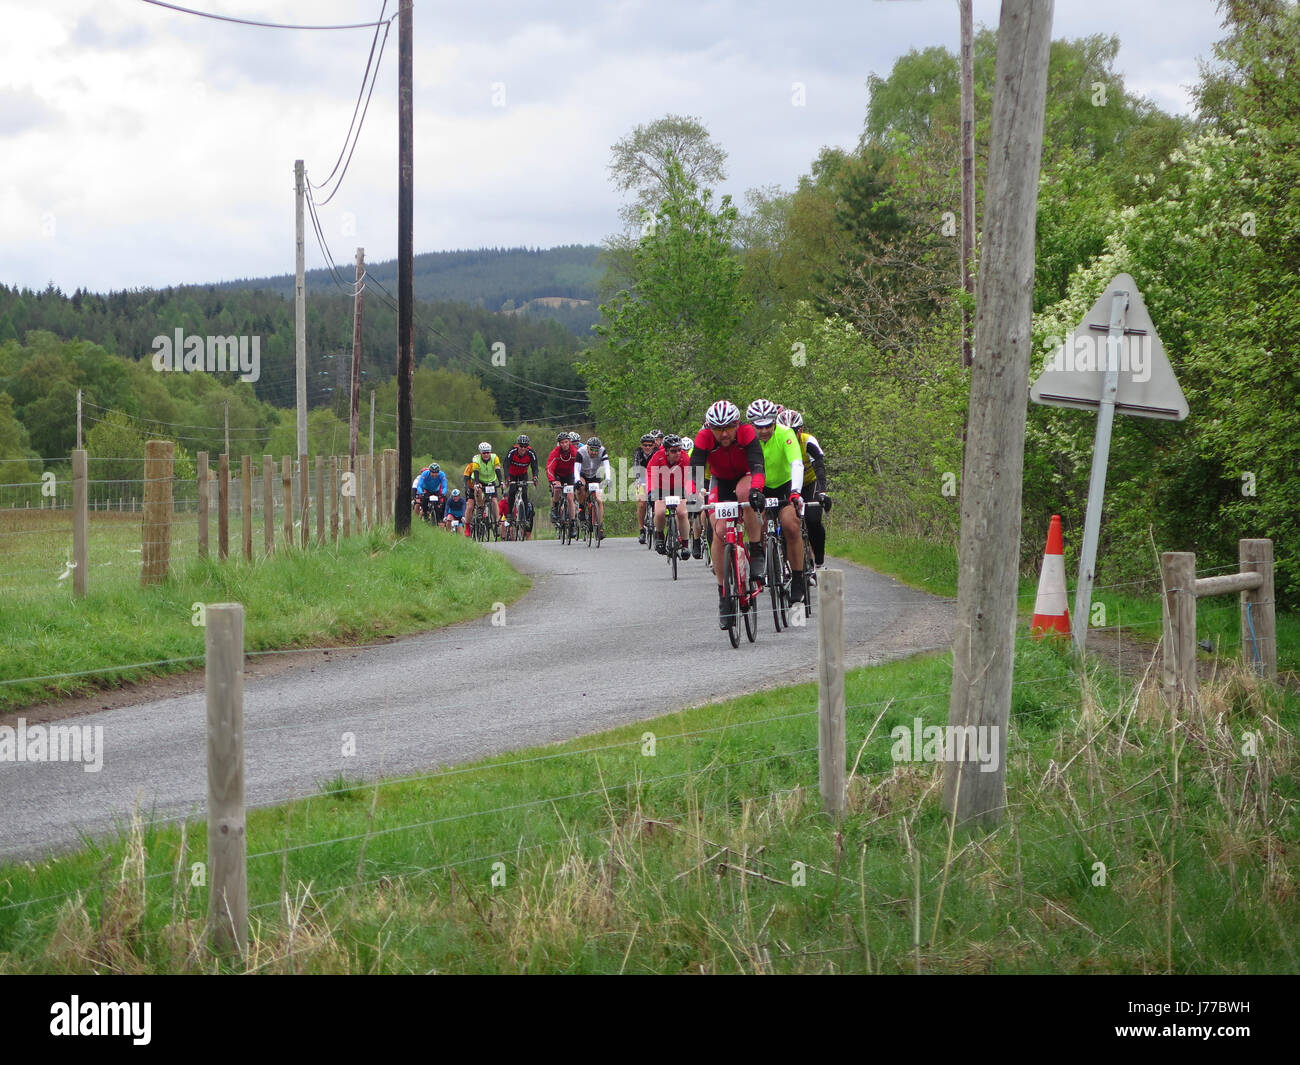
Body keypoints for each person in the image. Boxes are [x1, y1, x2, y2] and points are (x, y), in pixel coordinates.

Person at [691, 400, 767, 628]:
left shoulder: (746, 433)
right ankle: (724, 594)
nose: (724, 434)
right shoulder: (704, 437)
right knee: (720, 531)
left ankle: (756, 550)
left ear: (737, 424)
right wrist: (694, 494)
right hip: (720, 482)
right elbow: (695, 469)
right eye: (718, 429)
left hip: (745, 476)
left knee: (746, 496)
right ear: (709, 427)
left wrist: (757, 491)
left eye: (728, 428)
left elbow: (757, 466)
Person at [749, 398, 807, 603]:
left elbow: (797, 464)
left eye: (768, 426)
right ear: (752, 425)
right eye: (759, 427)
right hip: (761, 487)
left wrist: (795, 492)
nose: (764, 431)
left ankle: (799, 578)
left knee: (791, 526)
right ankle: (765, 562)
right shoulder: (747, 439)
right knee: (757, 527)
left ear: (775, 422)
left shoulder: (785, 433)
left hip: (784, 486)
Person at [778, 409, 831, 567]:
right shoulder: (777, 442)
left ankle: (819, 559)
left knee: (813, 520)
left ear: (800, 430)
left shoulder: (808, 441)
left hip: (809, 483)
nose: (791, 435)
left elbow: (819, 467)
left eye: (794, 431)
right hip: (788, 484)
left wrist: (822, 492)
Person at [645, 434, 696, 559]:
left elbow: (690, 477)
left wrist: (692, 492)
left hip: (679, 487)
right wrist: (651, 491)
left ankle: (684, 544)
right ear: (666, 451)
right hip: (661, 487)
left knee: (682, 513)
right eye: (673, 451)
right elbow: (650, 473)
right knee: (660, 512)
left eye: (679, 450)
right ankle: (660, 536)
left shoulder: (684, 458)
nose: (677, 453)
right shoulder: (658, 457)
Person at [576, 436, 612, 541]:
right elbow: (576, 468)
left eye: (596, 450)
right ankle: (582, 508)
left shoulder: (602, 451)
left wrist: (608, 479)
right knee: (581, 488)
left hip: (596, 476)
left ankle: (600, 527)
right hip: (583, 474)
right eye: (592, 449)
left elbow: (606, 466)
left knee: (599, 500)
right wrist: (577, 480)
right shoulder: (581, 451)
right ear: (587, 448)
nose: (594, 452)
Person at [467, 441, 506, 537]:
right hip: (479, 479)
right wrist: (476, 483)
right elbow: (475, 471)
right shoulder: (476, 459)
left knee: (494, 501)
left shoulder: (494, 457)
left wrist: (501, 481)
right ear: (480, 453)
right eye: (484, 453)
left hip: (491, 480)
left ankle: (497, 522)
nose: (486, 454)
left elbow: (497, 469)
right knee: (479, 490)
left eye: (488, 452)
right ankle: (480, 508)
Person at [504, 434, 539, 539]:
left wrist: (535, 477)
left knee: (524, 493)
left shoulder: (531, 453)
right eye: (521, 446)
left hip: (523, 474)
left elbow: (535, 466)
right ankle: (510, 514)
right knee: (512, 491)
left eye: (525, 446)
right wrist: (507, 478)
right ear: (517, 445)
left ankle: (525, 517)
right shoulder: (512, 451)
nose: (523, 448)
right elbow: (506, 464)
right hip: (512, 474)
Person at [546, 432, 582, 527]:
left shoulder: (574, 452)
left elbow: (579, 466)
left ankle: (573, 522)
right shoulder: (555, 453)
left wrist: (578, 479)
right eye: (562, 443)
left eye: (566, 442)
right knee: (557, 488)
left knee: (570, 498)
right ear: (559, 444)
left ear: (569, 442)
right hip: (558, 475)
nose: (564, 444)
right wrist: (552, 480)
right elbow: (549, 467)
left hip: (570, 475)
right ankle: (555, 507)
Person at [632, 433, 657, 543]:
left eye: (650, 445)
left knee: (657, 502)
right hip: (641, 478)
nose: (647, 447)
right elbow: (636, 467)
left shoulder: (657, 453)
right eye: (645, 445)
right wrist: (637, 480)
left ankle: (657, 526)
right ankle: (642, 529)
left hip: (654, 478)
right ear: (641, 445)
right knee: (641, 503)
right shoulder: (638, 452)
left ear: (653, 446)